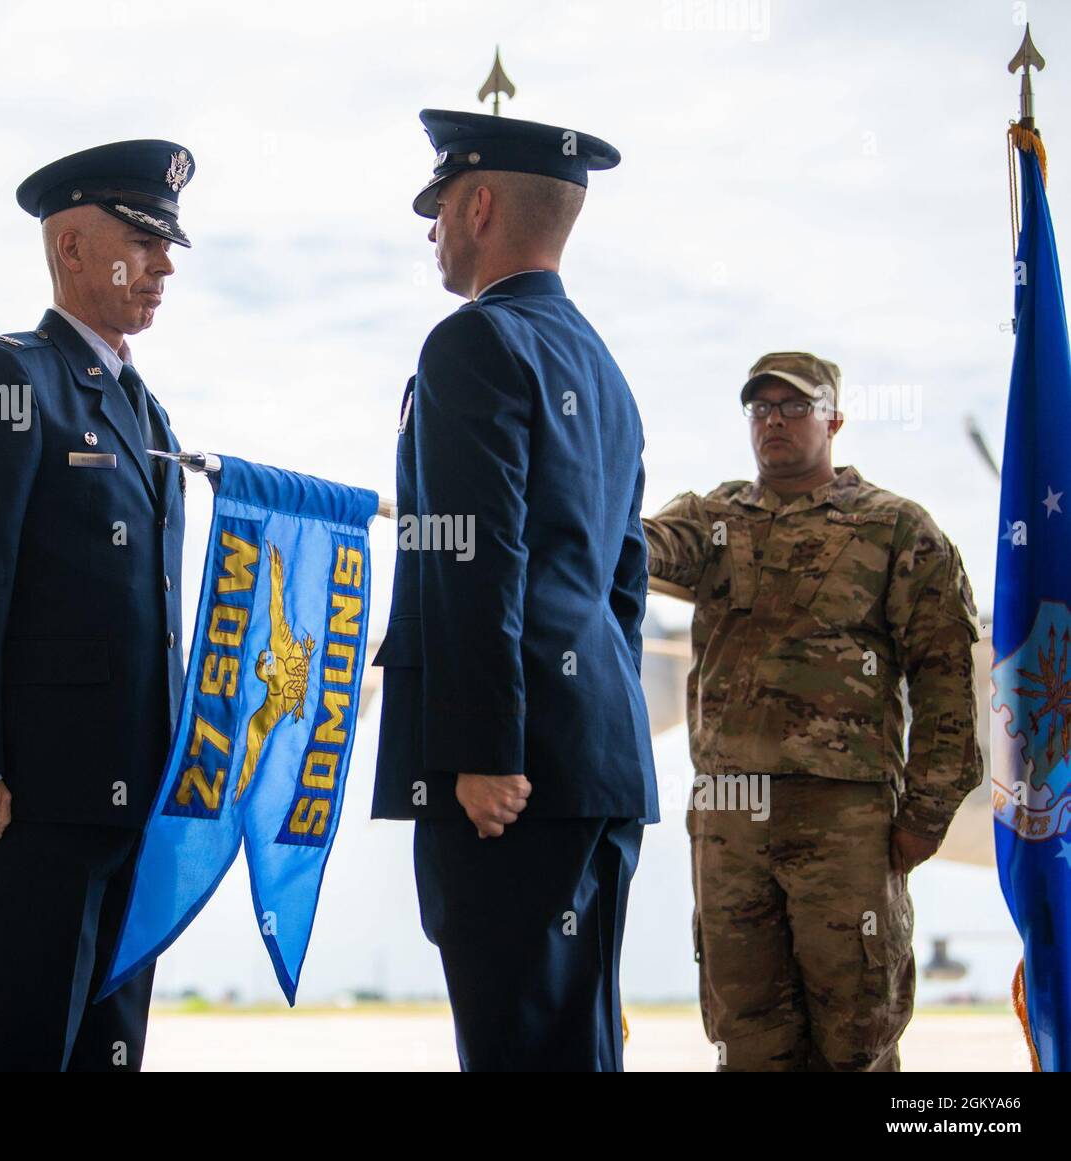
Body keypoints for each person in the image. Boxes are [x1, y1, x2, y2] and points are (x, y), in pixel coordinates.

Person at [371, 109, 659, 1071]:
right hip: (596, 759)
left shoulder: (473, 344)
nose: (433, 229)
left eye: (441, 205)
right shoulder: (606, 372)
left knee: (516, 1047)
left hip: (512, 778)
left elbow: (472, 558)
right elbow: (624, 584)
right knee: (576, 1046)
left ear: (482, 203)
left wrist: (484, 747)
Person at [0, 139, 195, 1070]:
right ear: (71, 248)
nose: (162, 264)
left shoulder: (150, 418)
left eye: (168, 246)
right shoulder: (6, 376)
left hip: (132, 807)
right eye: (143, 240)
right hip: (24, 807)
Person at [642, 351, 983, 1071]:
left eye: (794, 406)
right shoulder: (715, 519)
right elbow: (635, 549)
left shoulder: (895, 529)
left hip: (846, 820)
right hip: (731, 821)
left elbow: (945, 675)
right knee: (747, 1036)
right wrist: (574, 493)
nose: (774, 420)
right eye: (760, 408)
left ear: (834, 417)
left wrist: (927, 808)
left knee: (856, 1037)